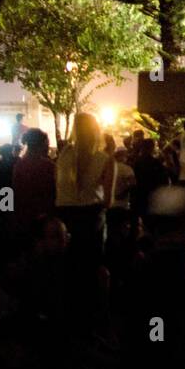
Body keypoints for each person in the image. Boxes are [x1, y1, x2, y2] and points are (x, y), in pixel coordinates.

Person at [54, 112, 116, 281]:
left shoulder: (64, 155)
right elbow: (108, 201)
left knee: (67, 265)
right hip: (91, 216)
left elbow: (57, 185)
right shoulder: (105, 159)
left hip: (64, 214)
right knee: (91, 266)